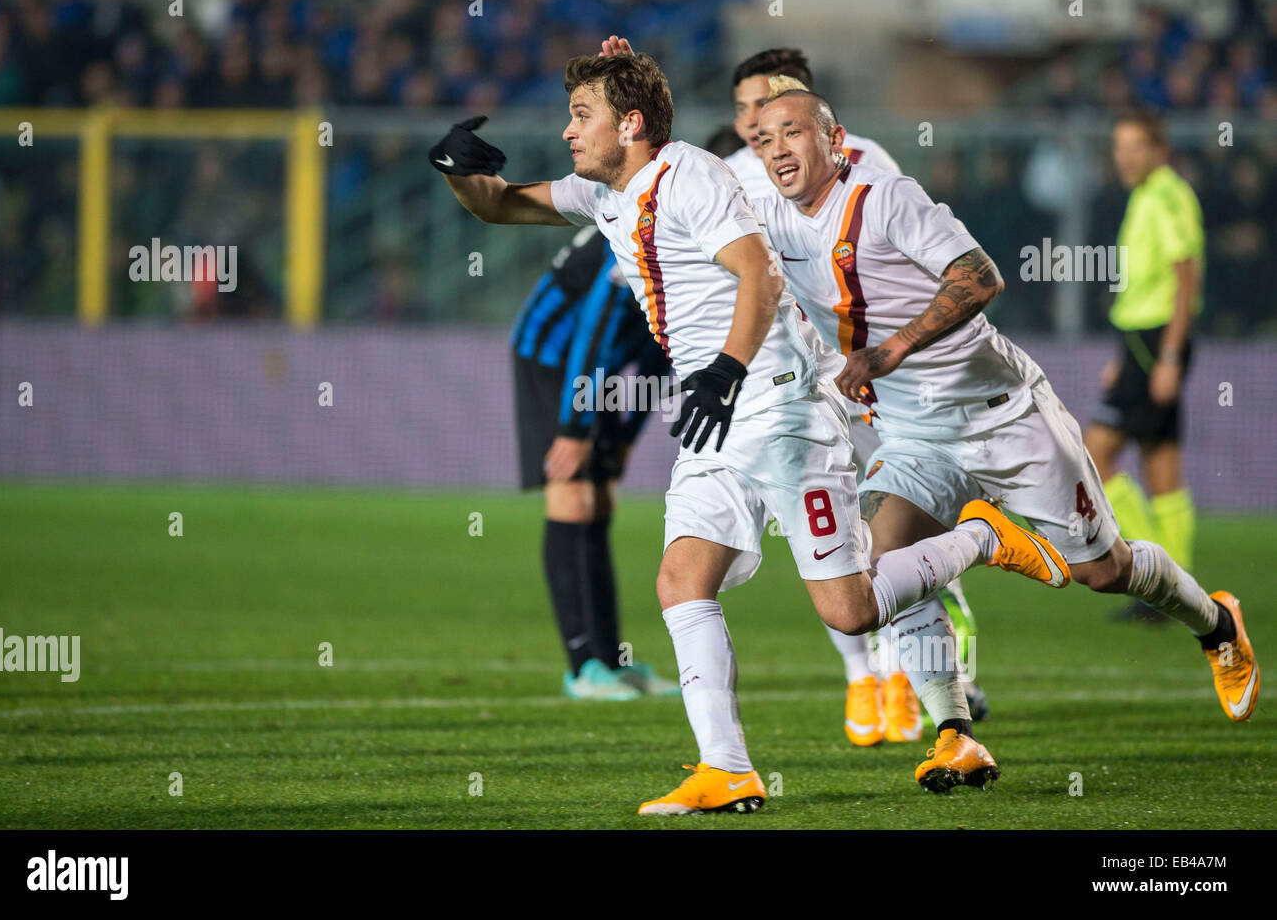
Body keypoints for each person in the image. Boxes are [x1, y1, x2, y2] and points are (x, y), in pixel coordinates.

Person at [429, 48, 1071, 814]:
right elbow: (499, 204)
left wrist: (729, 368)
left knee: (850, 609)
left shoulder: (692, 175)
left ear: (630, 124)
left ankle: (982, 537)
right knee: (680, 579)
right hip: (717, 413)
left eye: (582, 115)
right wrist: (453, 166)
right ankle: (727, 768)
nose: (568, 132)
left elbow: (758, 273)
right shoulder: (602, 193)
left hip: (778, 401)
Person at [748, 82, 1258, 752]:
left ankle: (1218, 624)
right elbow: (672, 197)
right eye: (766, 137)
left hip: (1004, 415)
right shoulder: (768, 219)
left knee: (1104, 569)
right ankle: (954, 733)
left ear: (833, 139)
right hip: (918, 438)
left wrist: (892, 350)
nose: (779, 148)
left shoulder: (884, 199)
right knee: (884, 563)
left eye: (794, 131)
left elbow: (980, 276)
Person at [723, 47, 989, 743]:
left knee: (895, 539)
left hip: (873, 383)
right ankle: (864, 681)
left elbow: (903, 260)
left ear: (812, 111)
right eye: (748, 108)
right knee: (826, 534)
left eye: (774, 104)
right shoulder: (728, 177)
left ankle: (929, 676)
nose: (760, 121)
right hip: (799, 386)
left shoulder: (866, 164)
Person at [510, 225, 675, 700]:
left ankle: (611, 661)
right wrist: (574, 428)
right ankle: (582, 668)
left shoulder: (687, 233)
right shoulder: (637, 231)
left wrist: (626, 432)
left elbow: (661, 344)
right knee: (573, 498)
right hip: (551, 359)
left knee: (600, 502)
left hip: (590, 368)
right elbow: (592, 333)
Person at [1083, 110, 1204, 622]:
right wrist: (1122, 356)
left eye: (1135, 146)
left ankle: (1153, 570)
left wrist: (1169, 356)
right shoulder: (1145, 194)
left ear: (1159, 148)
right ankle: (1174, 590)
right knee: (1162, 467)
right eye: (1119, 146)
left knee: (1095, 453)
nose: (1125, 156)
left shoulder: (1170, 194)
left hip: (1157, 342)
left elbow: (1186, 275)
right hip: (1139, 343)